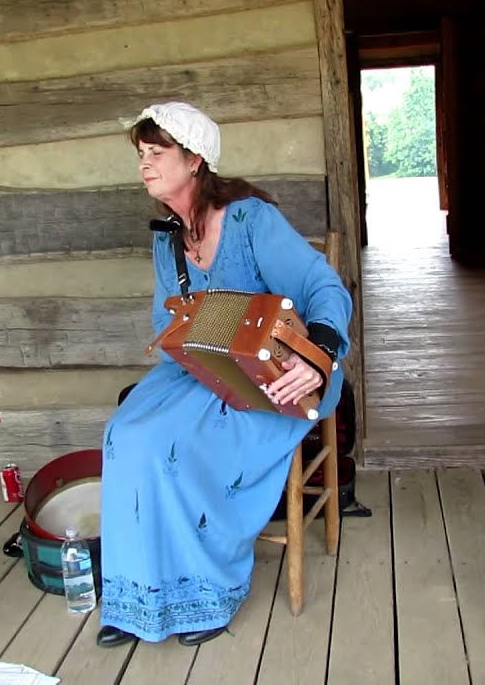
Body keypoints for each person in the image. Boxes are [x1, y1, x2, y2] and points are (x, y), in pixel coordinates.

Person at [93, 102, 352, 648]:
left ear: (194, 160)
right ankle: (138, 592)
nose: (144, 164)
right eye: (141, 154)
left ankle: (207, 591)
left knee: (176, 442)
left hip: (280, 377)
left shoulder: (249, 219)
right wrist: (174, 333)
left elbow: (325, 289)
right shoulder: (167, 237)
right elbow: (168, 317)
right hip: (203, 370)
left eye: (156, 152)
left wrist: (317, 357)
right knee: (123, 435)